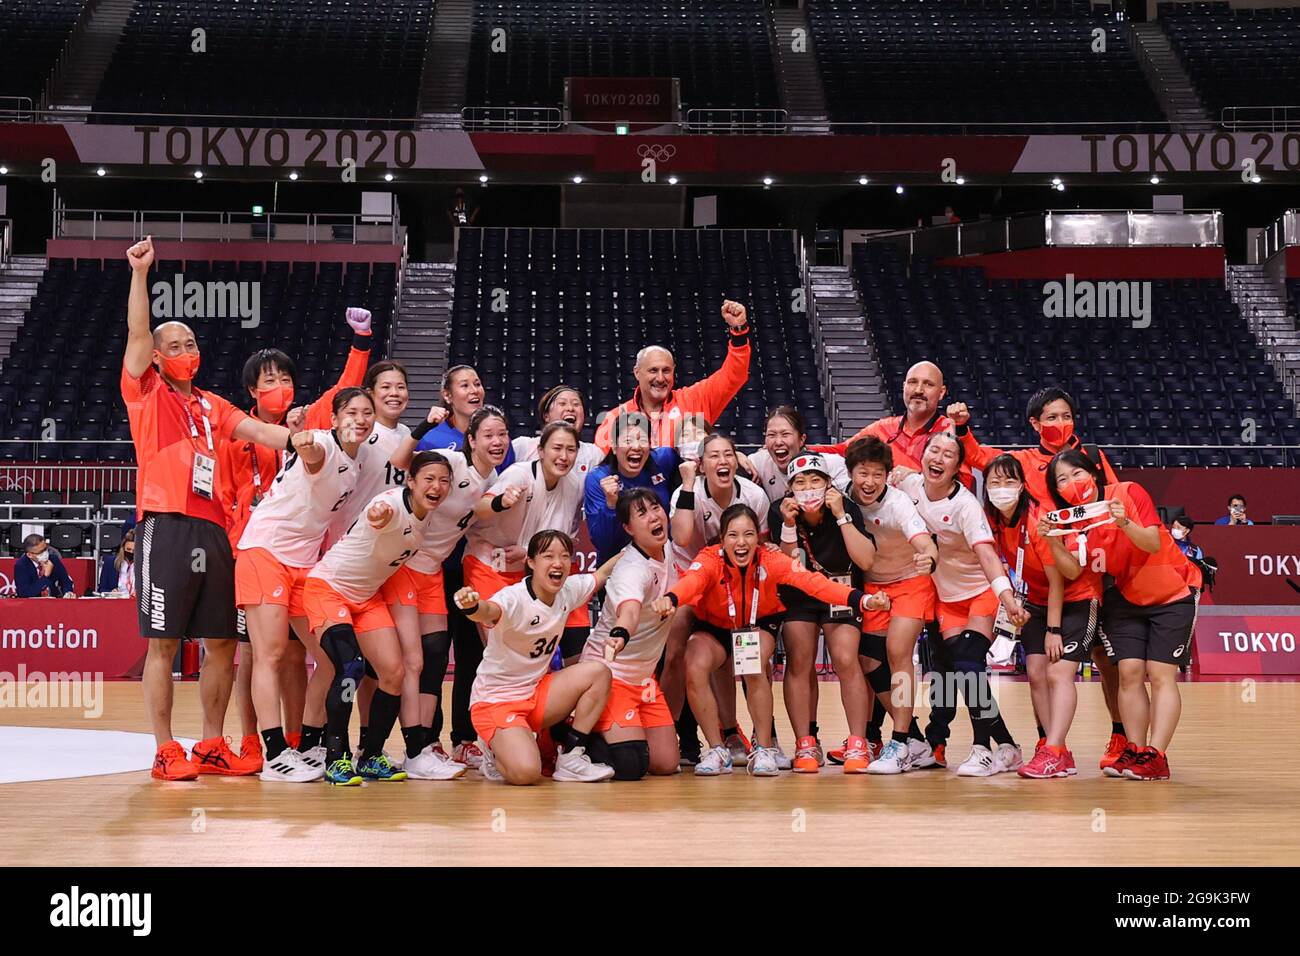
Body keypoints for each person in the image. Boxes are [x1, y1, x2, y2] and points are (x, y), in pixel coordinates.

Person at [121, 236, 293, 781]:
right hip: (165, 524)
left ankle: (213, 742)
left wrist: (312, 441)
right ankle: (165, 748)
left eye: (191, 341)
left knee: (222, 640)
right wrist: (141, 275)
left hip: (215, 530)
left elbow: (260, 428)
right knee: (165, 642)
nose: (184, 349)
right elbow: (136, 332)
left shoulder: (211, 403)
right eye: (174, 344)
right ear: (156, 355)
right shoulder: (145, 390)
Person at [223, 307, 374, 769]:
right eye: (270, 381)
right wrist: (303, 442)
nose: (361, 420)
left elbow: (340, 396)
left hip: (305, 563)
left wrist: (361, 341)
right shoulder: (309, 440)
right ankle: (267, 749)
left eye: (286, 379)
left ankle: (305, 738)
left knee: (323, 653)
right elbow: (311, 452)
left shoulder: (337, 447)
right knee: (261, 655)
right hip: (260, 552)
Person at [947, 385, 1128, 769]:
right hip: (1046, 582)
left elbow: (1113, 506)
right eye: (1051, 417)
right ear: (1035, 423)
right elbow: (980, 458)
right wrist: (962, 428)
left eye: (1066, 416)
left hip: (1093, 577)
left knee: (1109, 662)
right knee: (1039, 668)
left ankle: (1120, 735)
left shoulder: (1091, 458)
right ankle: (1051, 744)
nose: (1060, 423)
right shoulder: (1022, 463)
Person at [653, 503, 889, 777]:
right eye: (733, 535)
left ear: (758, 538)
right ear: (722, 539)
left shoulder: (772, 560)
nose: (741, 542)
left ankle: (764, 749)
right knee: (693, 665)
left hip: (758, 623)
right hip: (715, 625)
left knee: (752, 663)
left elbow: (817, 584)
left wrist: (863, 600)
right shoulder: (709, 559)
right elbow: (691, 582)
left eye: (748, 534)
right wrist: (671, 598)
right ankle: (717, 750)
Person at [1045, 450, 1199, 781]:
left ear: (1094, 473)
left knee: (1160, 674)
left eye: (1076, 474)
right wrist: (1054, 542)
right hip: (1125, 598)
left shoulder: (1127, 493)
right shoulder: (1071, 521)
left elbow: (1153, 544)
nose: (1072, 483)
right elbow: (1073, 570)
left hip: (1172, 592)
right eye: (1062, 479)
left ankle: (1156, 756)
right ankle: (1135, 748)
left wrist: (1123, 522)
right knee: (1128, 672)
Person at [304, 453, 454, 785]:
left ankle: (371, 755)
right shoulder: (391, 503)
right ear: (411, 481)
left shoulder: (424, 516)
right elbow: (378, 514)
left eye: (444, 480)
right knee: (350, 667)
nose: (437, 486)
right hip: (328, 589)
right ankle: (336, 757)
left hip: (366, 597)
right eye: (428, 479)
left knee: (394, 672)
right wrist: (378, 514)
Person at [891, 432, 1028, 777]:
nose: (938, 457)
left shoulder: (966, 506)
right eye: (933, 450)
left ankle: (982, 749)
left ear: (957, 467)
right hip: (947, 599)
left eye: (948, 454)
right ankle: (1008, 746)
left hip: (980, 593)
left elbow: (987, 555)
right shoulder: (908, 487)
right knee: (963, 677)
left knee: (969, 666)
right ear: (921, 457)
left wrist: (1007, 597)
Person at [456, 530, 622, 785]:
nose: (558, 563)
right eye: (549, 556)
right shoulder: (514, 598)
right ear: (531, 562)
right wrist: (472, 606)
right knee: (527, 774)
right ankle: (494, 750)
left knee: (598, 673)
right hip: (496, 702)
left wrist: (628, 552)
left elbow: (600, 576)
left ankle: (571, 757)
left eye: (564, 556)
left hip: (536, 694)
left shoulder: (567, 591)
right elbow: (488, 611)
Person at [400, 405, 510, 770]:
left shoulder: (493, 478)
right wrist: (420, 427)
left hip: (435, 572)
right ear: (471, 440)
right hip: (404, 566)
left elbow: (481, 510)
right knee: (407, 662)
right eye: (488, 435)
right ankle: (404, 746)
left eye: (502, 434)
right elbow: (403, 463)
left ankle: (428, 746)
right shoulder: (450, 464)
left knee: (434, 658)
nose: (497, 442)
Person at [983, 454, 1100, 779]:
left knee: (1058, 673)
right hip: (1035, 599)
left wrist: (1053, 629)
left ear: (1022, 486)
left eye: (1009, 481)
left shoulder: (1037, 520)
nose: (1002, 488)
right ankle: (1053, 748)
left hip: (1075, 598)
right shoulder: (992, 519)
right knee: (1035, 673)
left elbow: (1059, 579)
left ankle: (1054, 748)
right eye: (995, 482)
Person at [833, 437, 939, 774]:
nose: (869, 482)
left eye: (878, 474)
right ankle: (910, 741)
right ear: (851, 472)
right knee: (866, 659)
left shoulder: (898, 504)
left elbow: (924, 541)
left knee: (897, 651)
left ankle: (900, 740)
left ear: (887, 476)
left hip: (911, 582)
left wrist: (929, 558)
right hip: (874, 587)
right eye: (863, 473)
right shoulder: (841, 493)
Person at [770, 453, 879, 773]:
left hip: (841, 591)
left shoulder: (847, 507)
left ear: (829, 484)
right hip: (799, 593)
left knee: (846, 658)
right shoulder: (781, 511)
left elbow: (866, 561)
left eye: (816, 480)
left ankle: (858, 742)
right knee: (799, 659)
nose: (808, 488)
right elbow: (788, 568)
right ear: (790, 488)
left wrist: (842, 515)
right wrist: (789, 525)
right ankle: (805, 742)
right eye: (800, 483)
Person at [669, 432, 770, 764]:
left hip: (738, 589)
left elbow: (764, 552)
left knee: (746, 656)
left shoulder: (754, 497)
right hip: (693, 580)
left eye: (728, 454)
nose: (722, 461)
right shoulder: (688, 493)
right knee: (677, 653)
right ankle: (670, 731)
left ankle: (755, 740)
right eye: (713, 456)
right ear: (700, 465)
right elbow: (682, 537)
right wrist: (686, 484)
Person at [468, 421, 588, 668]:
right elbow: (479, 509)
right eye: (556, 448)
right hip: (490, 564)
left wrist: (527, 553)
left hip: (528, 571)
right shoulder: (520, 473)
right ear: (541, 450)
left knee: (537, 653)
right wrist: (501, 501)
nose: (563, 456)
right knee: (501, 653)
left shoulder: (575, 484)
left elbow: (561, 538)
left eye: (571, 449)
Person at [580, 489, 682, 779]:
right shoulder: (630, 570)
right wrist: (621, 633)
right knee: (630, 765)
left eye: (655, 508)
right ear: (628, 528)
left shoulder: (669, 548)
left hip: (644, 680)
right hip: (610, 675)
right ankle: (571, 732)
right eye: (642, 514)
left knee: (665, 764)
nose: (654, 516)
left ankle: (612, 729)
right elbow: (630, 611)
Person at [593, 300, 752, 451]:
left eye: (666, 370)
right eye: (653, 370)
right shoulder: (615, 418)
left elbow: (734, 375)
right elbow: (599, 464)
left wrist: (739, 331)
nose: (661, 378)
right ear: (637, 372)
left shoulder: (694, 400)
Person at [811, 360, 973, 490]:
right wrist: (800, 448)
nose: (918, 389)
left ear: (942, 392)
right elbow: (841, 451)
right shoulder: (882, 428)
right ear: (904, 387)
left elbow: (965, 484)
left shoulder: (951, 430)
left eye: (928, 384)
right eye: (912, 382)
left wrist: (916, 479)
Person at [585, 412, 677, 563]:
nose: (636, 446)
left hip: (662, 560)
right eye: (628, 440)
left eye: (642, 440)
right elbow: (604, 545)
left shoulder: (665, 458)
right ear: (614, 447)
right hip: (617, 565)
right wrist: (611, 504)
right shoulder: (597, 480)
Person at [743, 406, 848, 501]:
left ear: (802, 439)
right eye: (771, 435)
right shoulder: (759, 461)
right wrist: (737, 456)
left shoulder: (833, 464)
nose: (778, 442)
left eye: (785, 434)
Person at [15, 534, 76, 598]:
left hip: (53, 601)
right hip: (32, 604)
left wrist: (68, 592)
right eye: (41, 552)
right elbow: (24, 593)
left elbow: (66, 581)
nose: (45, 553)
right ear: (30, 555)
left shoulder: (53, 559)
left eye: (45, 549)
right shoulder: (21, 565)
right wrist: (45, 576)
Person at [98, 529, 135, 596]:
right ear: (123, 548)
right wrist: (111, 592)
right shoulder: (110, 562)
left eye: (134, 550)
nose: (131, 552)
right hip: (117, 602)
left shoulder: (146, 566)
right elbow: (101, 589)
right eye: (128, 549)